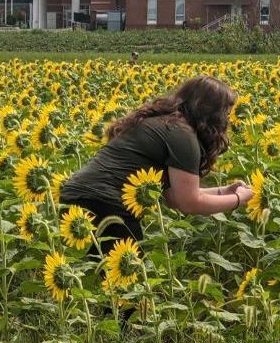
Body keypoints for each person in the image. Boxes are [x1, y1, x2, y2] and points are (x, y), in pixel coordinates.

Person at [60, 76, 253, 256]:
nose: (227, 120)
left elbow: (174, 198)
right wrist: (238, 199)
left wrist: (225, 191)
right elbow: (189, 202)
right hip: (107, 203)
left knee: (95, 274)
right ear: (210, 113)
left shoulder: (161, 123)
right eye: (225, 113)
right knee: (127, 273)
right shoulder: (182, 135)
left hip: (75, 196)